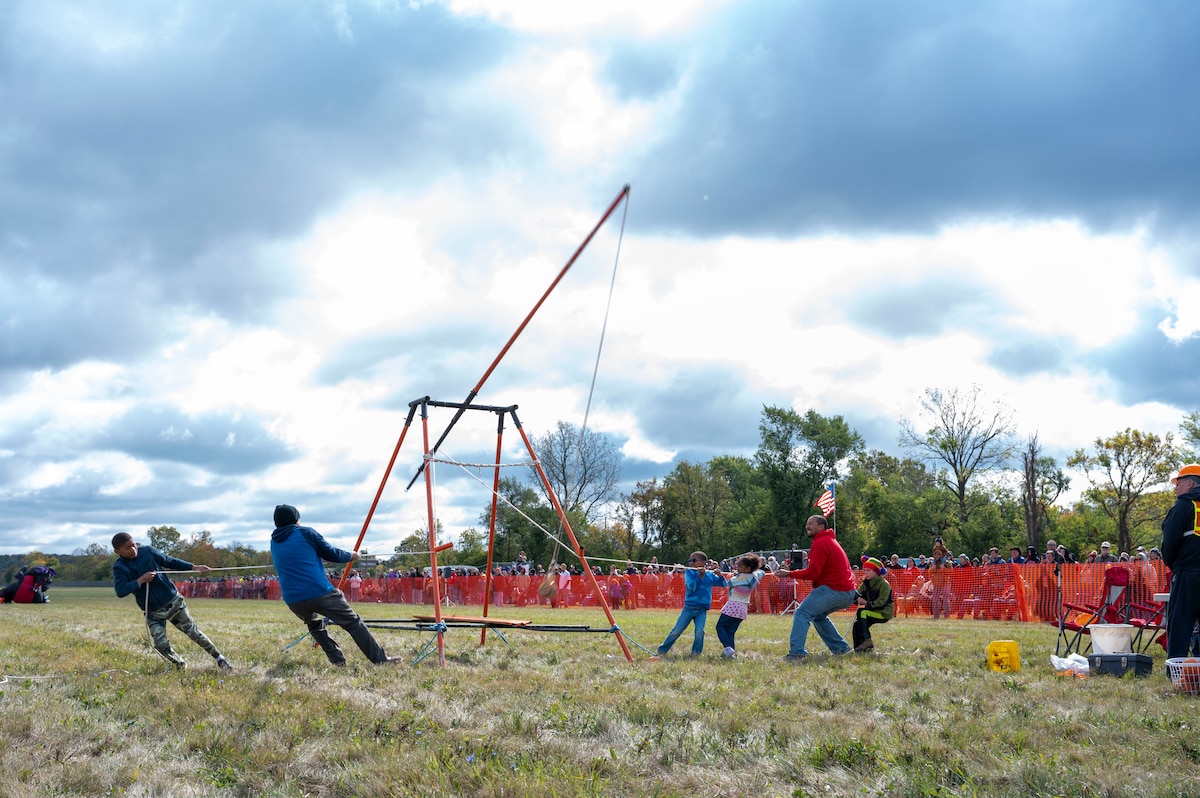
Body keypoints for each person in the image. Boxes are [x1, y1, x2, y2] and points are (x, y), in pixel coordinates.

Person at [270, 504, 394, 666]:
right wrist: (353, 556)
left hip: (293, 600)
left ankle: (337, 660)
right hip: (319, 592)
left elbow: (296, 559)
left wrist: (317, 561)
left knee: (314, 625)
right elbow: (332, 553)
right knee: (353, 623)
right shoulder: (305, 532)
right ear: (295, 519)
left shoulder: (274, 541)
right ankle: (380, 659)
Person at [111, 532, 232, 671]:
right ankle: (179, 664)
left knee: (194, 633)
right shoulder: (119, 567)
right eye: (127, 548)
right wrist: (141, 580)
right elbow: (120, 591)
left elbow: (170, 561)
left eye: (134, 545)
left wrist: (194, 567)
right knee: (160, 644)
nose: (133, 550)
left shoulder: (148, 552)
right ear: (117, 551)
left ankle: (219, 658)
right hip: (153, 612)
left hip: (174, 602)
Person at [784, 515, 856, 660]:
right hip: (847, 593)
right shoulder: (830, 541)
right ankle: (842, 649)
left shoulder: (821, 542)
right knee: (817, 615)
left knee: (802, 613)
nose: (807, 527)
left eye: (811, 524)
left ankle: (796, 653)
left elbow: (813, 572)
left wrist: (789, 573)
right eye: (806, 524)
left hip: (834, 589)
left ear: (821, 526)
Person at [655, 551, 727, 657]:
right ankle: (662, 650)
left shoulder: (710, 575)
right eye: (690, 560)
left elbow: (724, 584)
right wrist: (699, 577)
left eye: (694, 560)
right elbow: (691, 587)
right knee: (676, 630)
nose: (691, 563)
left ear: (704, 562)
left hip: (702, 609)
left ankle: (696, 654)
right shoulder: (689, 573)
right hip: (689, 607)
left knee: (699, 632)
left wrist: (720, 576)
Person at [1161, 465, 1200, 660]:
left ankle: (1176, 671)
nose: (1175, 488)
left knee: (1180, 624)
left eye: (1178, 483)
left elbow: (1169, 543)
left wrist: (1174, 565)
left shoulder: (1182, 506)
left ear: (1190, 483)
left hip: (1187, 574)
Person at [715, 554, 765, 658]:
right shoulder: (754, 576)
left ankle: (727, 647)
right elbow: (762, 572)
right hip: (742, 608)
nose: (738, 568)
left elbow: (728, 583)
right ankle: (730, 653)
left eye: (740, 567)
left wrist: (721, 575)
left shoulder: (742, 577)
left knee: (720, 626)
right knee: (731, 631)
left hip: (733, 605)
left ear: (748, 568)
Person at [851, 558, 893, 652]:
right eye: (865, 570)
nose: (866, 573)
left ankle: (867, 640)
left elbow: (881, 602)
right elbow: (857, 593)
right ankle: (858, 649)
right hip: (872, 610)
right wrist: (851, 597)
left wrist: (865, 603)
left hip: (883, 612)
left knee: (862, 612)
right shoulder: (866, 582)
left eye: (868, 570)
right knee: (857, 625)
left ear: (876, 572)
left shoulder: (884, 584)